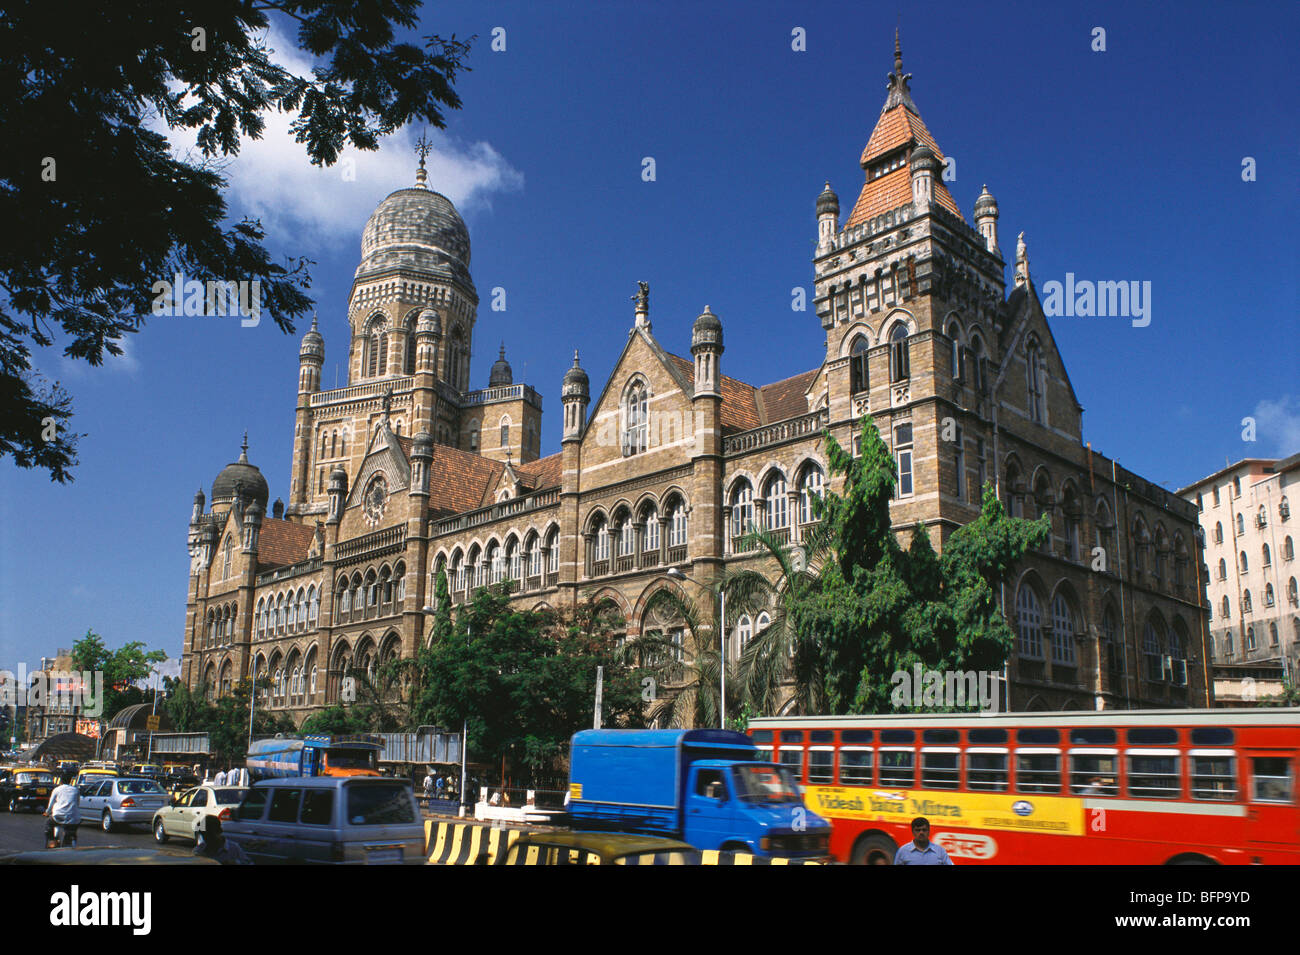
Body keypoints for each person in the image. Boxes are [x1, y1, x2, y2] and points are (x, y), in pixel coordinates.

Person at [43, 771, 81, 848]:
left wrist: (47, 812)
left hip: (58, 816)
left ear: (60, 780)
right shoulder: (75, 790)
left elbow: (51, 804)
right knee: (72, 831)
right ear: (70, 781)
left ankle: (52, 841)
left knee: (48, 823)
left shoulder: (57, 790)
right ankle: (72, 840)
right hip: (74, 817)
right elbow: (77, 803)